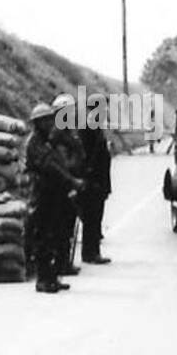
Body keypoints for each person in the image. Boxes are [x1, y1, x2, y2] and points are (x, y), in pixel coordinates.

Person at [24, 102, 83, 293]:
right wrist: (71, 181)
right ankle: (43, 279)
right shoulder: (35, 143)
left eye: (50, 119)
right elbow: (50, 166)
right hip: (41, 194)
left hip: (53, 193)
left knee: (54, 236)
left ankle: (52, 277)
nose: (50, 122)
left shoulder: (47, 140)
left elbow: (61, 161)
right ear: (38, 123)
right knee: (42, 237)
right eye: (46, 120)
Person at [50, 92, 85, 276]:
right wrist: (72, 181)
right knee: (61, 227)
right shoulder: (57, 135)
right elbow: (62, 163)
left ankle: (63, 262)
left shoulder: (67, 132)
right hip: (62, 187)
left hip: (70, 183)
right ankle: (60, 263)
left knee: (67, 227)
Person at [79, 92, 113, 264]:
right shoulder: (88, 128)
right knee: (92, 218)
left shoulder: (95, 127)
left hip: (98, 180)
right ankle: (90, 253)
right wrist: (89, 176)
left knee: (95, 218)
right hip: (93, 181)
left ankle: (92, 251)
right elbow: (88, 157)